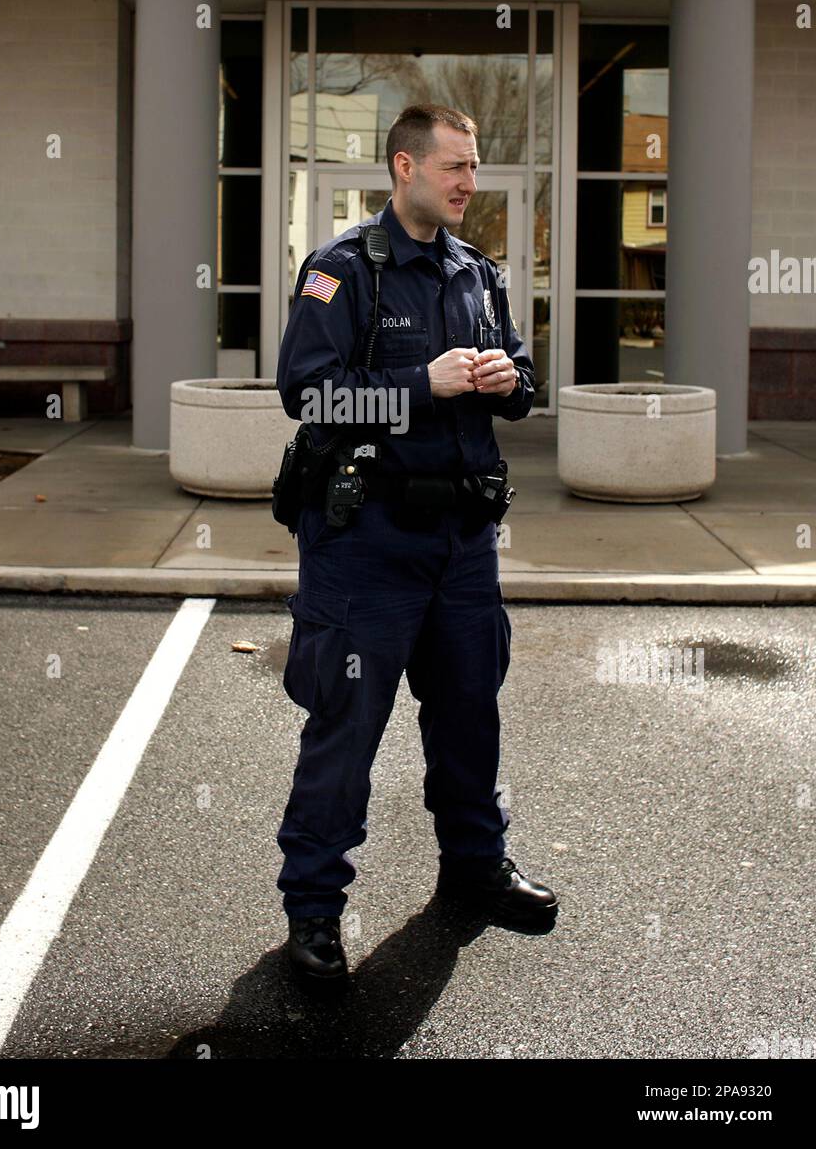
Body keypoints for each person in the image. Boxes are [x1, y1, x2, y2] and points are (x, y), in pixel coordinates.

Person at [275, 103, 558, 981]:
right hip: (368, 543)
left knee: (471, 713)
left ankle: (475, 866)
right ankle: (314, 909)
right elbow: (308, 395)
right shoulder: (341, 271)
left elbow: (523, 384)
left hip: (462, 542)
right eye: (455, 167)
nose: (472, 181)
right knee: (347, 727)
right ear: (405, 167)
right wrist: (419, 384)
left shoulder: (478, 273)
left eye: (474, 166)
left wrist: (511, 380)